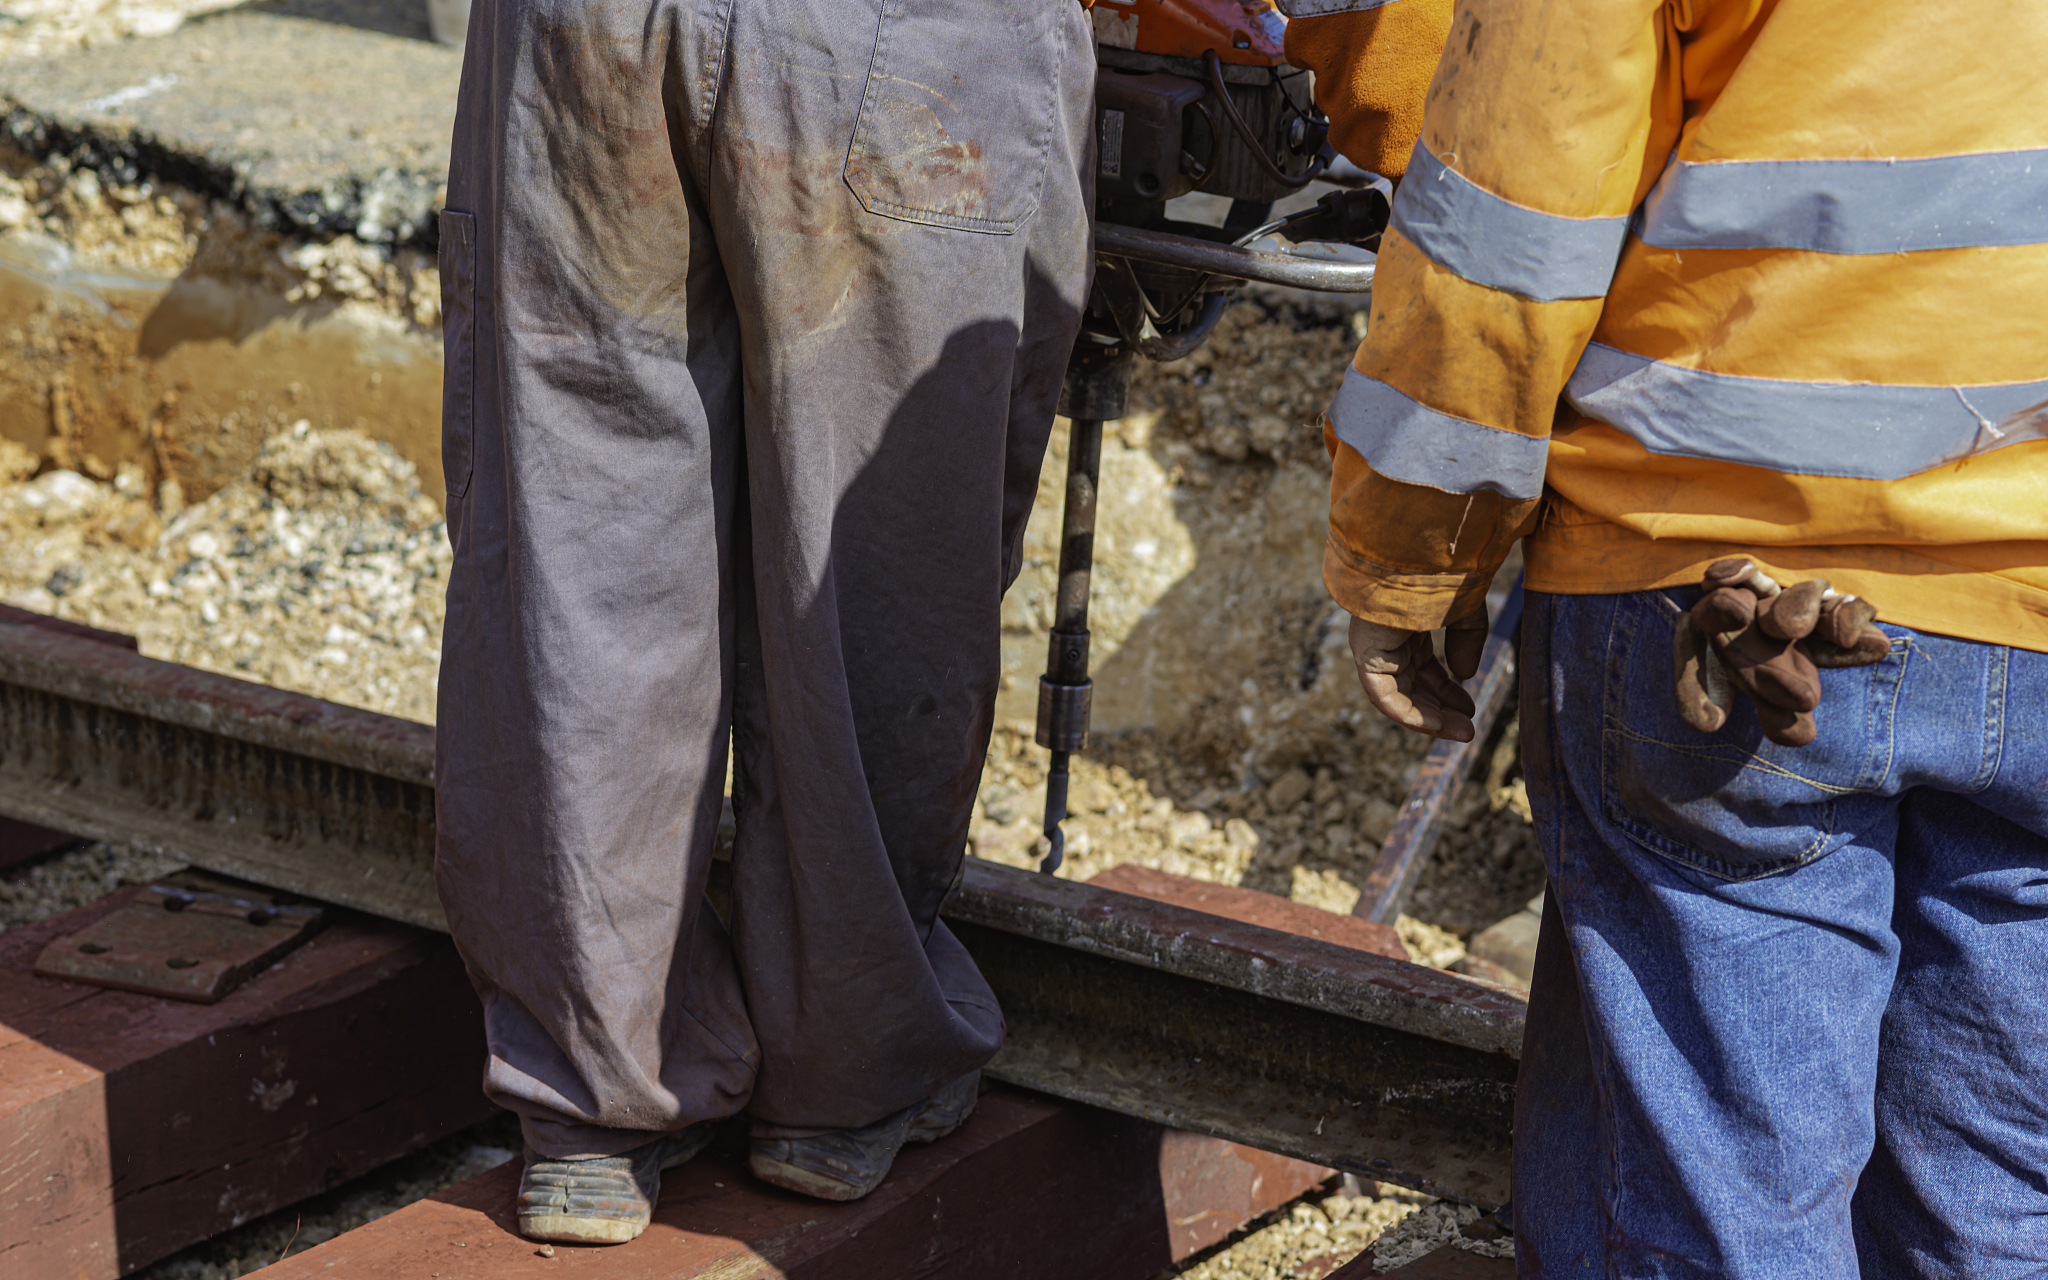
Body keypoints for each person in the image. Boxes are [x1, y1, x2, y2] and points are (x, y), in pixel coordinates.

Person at [1315, 0, 2048, 1272]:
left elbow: (1508, 226)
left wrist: (1414, 552)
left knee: (1715, 1205)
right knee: (1994, 1203)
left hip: (1721, 581)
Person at [431, 0, 1097, 1245]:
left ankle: (593, 1100)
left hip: (583, 34)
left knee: (584, 543)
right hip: (895, 40)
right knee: (875, 546)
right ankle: (839, 1081)